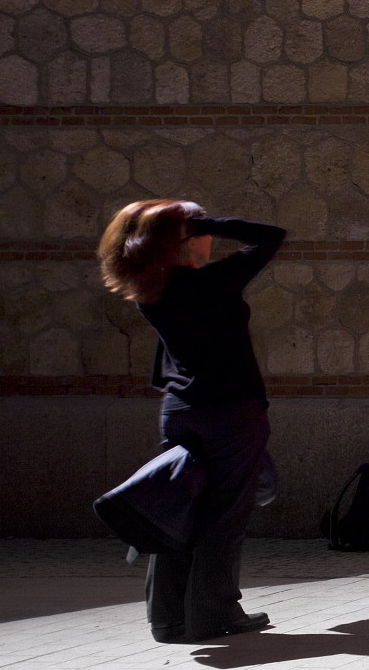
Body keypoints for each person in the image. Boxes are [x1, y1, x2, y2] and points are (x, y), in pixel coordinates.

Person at [99, 199, 286, 644]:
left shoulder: (150, 289)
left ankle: (166, 618)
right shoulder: (214, 283)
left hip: (180, 410)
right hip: (231, 410)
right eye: (200, 229)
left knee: (180, 507)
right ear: (183, 239)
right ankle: (213, 613)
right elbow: (271, 235)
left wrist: (180, 228)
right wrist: (208, 222)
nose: (208, 237)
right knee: (225, 514)